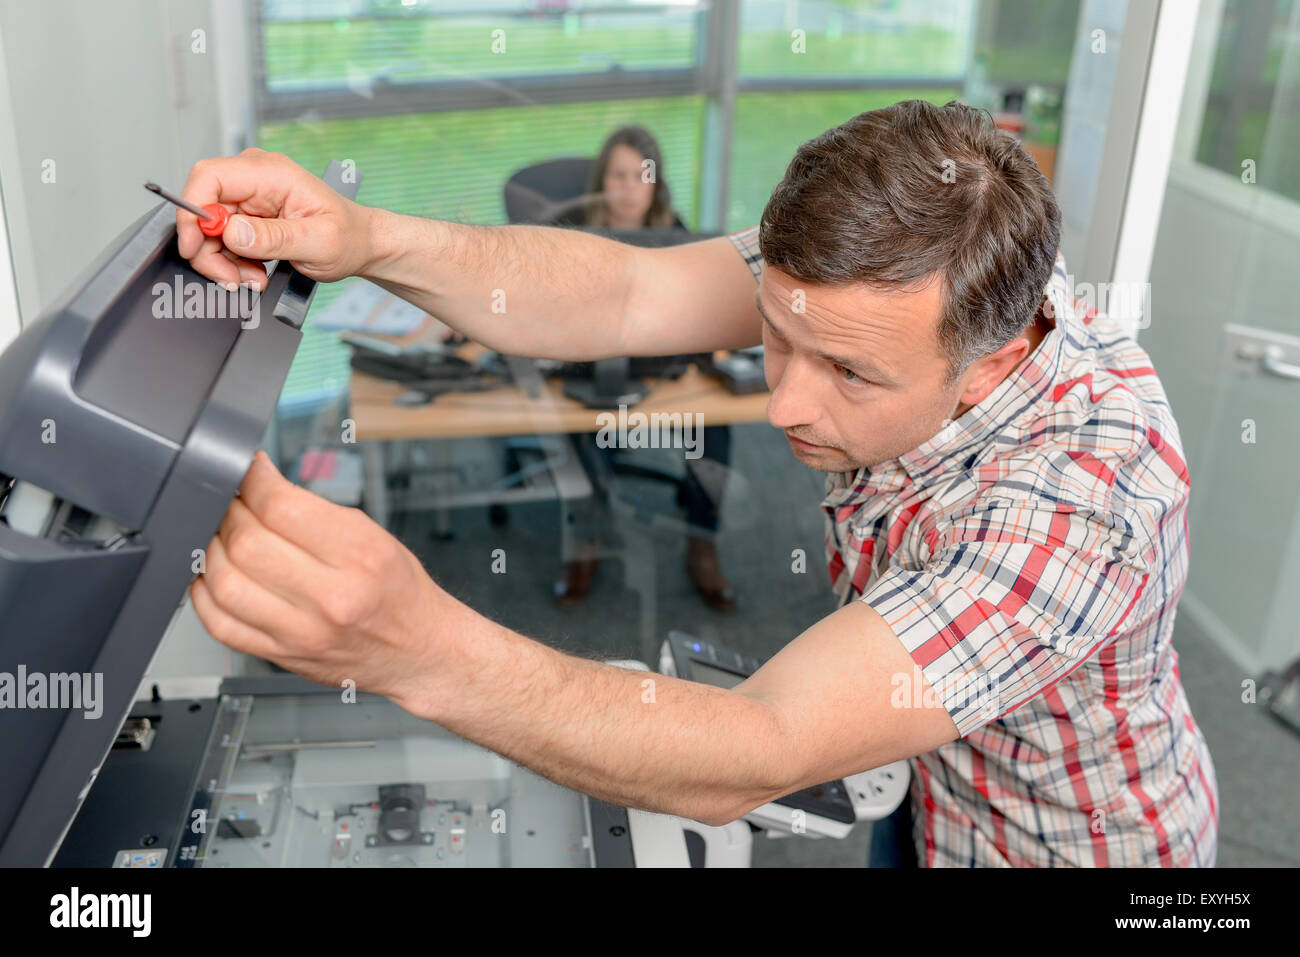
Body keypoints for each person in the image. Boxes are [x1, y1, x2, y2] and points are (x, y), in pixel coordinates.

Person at [176, 100, 1218, 867]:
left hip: (1067, 846)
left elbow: (758, 747)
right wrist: (369, 237)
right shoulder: (936, 260)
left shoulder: (1087, 502)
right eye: (776, 339)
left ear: (986, 365)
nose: (784, 409)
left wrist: (416, 648)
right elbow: (631, 291)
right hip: (928, 785)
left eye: (849, 374)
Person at [548, 125, 736, 610]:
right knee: (583, 428)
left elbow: (697, 311)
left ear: (656, 182)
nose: (628, 187)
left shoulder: (674, 234)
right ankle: (585, 545)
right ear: (601, 179)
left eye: (640, 175)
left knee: (714, 424)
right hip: (587, 370)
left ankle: (702, 543)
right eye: (617, 174)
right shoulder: (571, 228)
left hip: (659, 376)